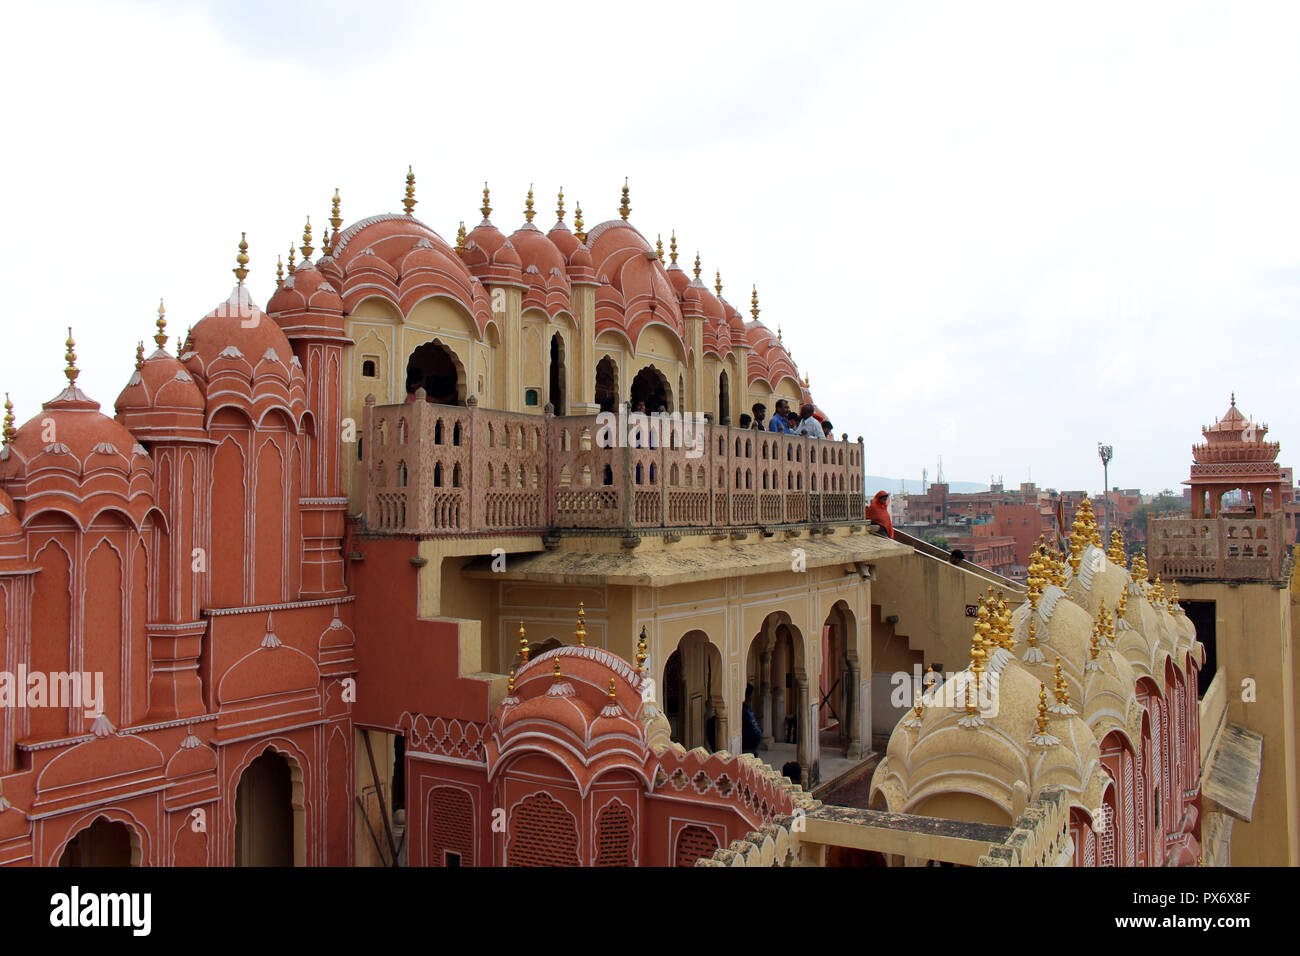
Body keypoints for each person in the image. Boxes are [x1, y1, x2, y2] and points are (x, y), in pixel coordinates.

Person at [742, 683, 762, 756]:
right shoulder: (742, 710)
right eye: (752, 694)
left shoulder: (747, 709)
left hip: (752, 748)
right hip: (746, 748)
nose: (752, 696)